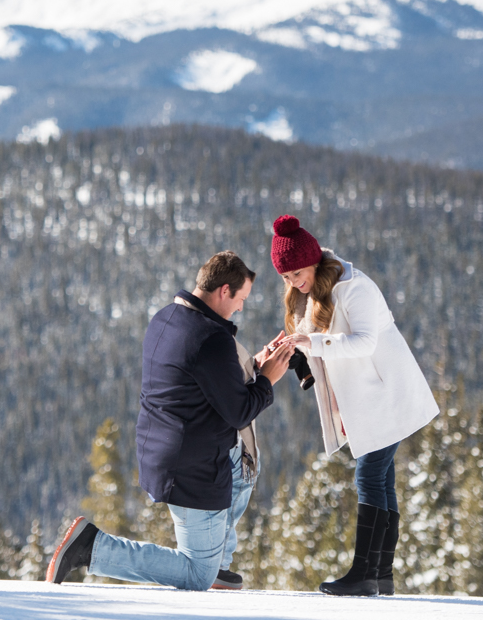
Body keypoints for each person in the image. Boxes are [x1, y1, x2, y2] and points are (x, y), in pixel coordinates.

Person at [46, 251, 296, 590]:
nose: (240, 308)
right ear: (224, 290)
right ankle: (93, 548)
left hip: (164, 450)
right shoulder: (212, 338)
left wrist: (253, 365)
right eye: (240, 299)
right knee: (196, 575)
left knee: (246, 468)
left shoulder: (168, 317)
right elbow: (239, 413)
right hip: (192, 467)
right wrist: (267, 379)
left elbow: (204, 380)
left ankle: (217, 562)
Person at [271, 215, 438, 597]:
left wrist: (312, 345)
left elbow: (364, 342)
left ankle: (365, 573)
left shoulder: (354, 286)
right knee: (381, 480)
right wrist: (298, 352)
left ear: (313, 260)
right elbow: (321, 343)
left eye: (298, 273)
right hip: (369, 398)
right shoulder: (311, 293)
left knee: (369, 476)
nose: (295, 282)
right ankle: (380, 575)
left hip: (388, 392)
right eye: (287, 277)